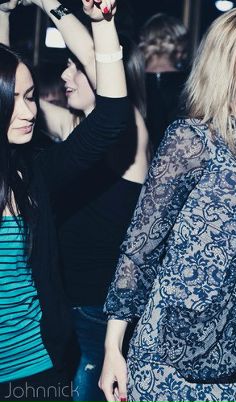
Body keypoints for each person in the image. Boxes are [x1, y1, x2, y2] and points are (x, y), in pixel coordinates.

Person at [99, 7, 236, 402]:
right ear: (225, 65)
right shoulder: (193, 139)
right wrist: (112, 347)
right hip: (173, 354)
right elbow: (141, 247)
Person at [0, 0, 129, 400]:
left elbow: (110, 120)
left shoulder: (33, 176)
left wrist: (102, 23)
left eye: (31, 96)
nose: (29, 111)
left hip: (37, 371)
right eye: (14, 99)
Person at [138, 13, 189, 153]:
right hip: (177, 158)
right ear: (180, 45)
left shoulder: (130, 81)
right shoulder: (189, 83)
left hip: (135, 159)